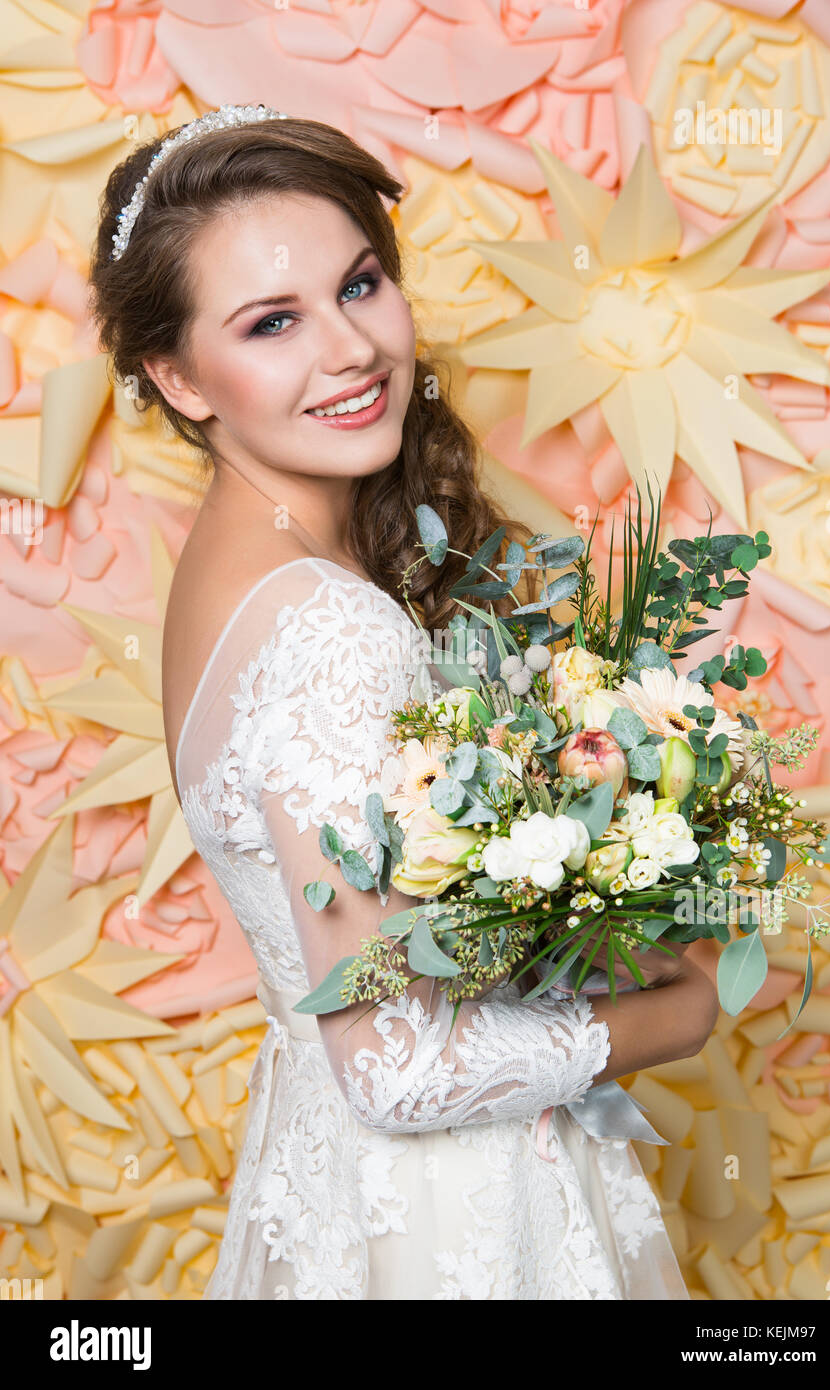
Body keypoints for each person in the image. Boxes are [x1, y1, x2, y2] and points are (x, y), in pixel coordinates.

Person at [88, 106, 718, 1300]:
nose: (350, 349)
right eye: (272, 322)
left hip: (332, 1167)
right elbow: (392, 1065)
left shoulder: (233, 574)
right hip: (448, 1207)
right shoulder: (329, 628)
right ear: (175, 376)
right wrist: (666, 1015)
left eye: (360, 284)